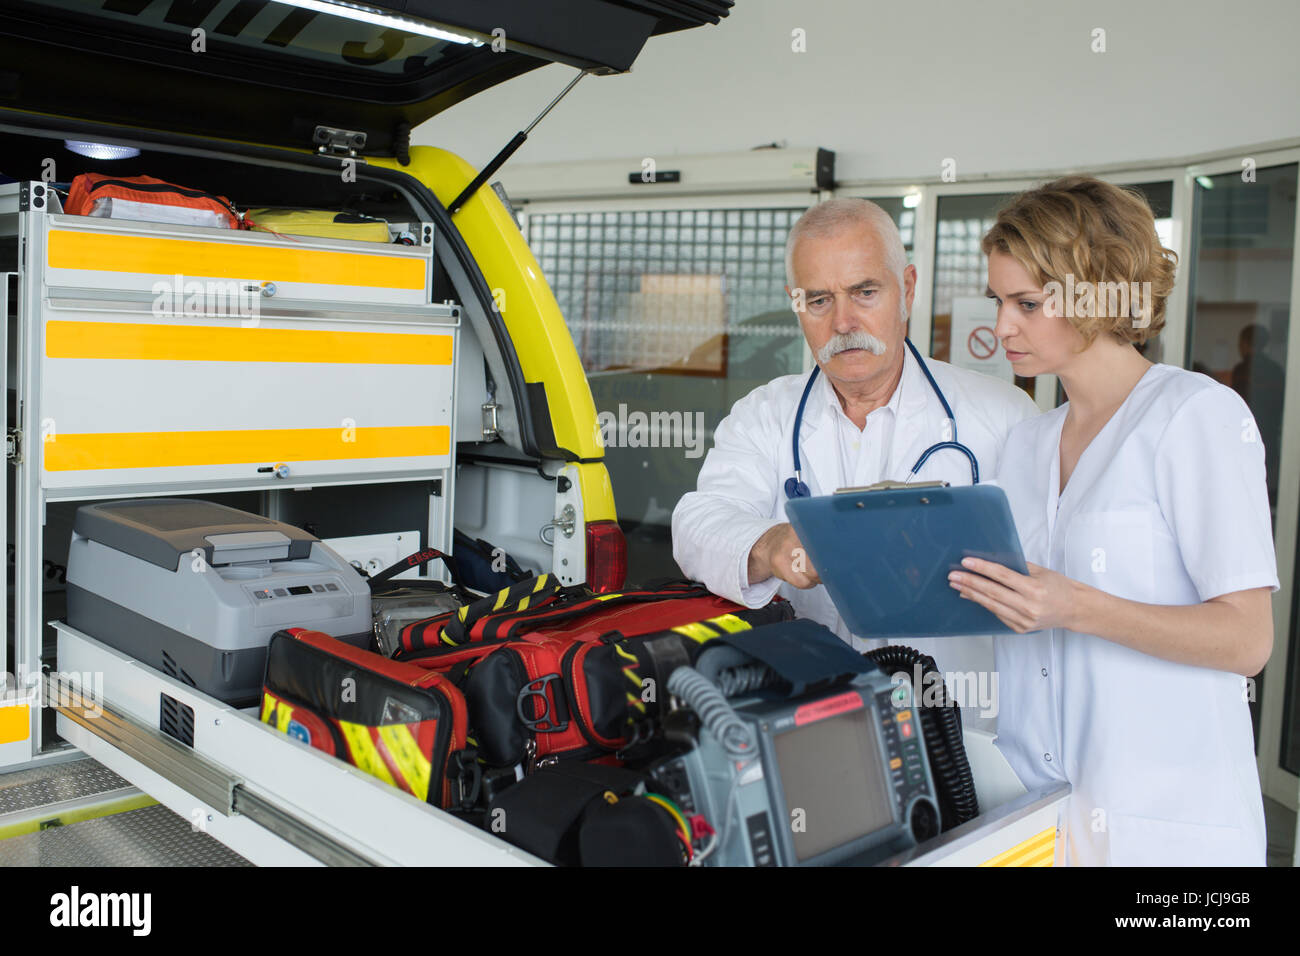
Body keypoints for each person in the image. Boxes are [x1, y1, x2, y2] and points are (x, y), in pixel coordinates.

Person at [949, 176, 1276, 866]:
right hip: (1036, 818)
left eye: (1027, 303)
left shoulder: (1196, 417)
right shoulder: (1026, 444)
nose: (1002, 326)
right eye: (999, 302)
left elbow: (1247, 640)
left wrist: (1076, 606)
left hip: (1166, 828)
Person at [672, 198, 1039, 724]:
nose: (843, 321)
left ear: (907, 289)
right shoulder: (765, 414)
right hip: (814, 719)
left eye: (865, 292)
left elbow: (1045, 570)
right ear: (796, 303)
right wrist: (773, 544)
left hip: (964, 719)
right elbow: (695, 524)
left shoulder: (1004, 415)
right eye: (819, 299)